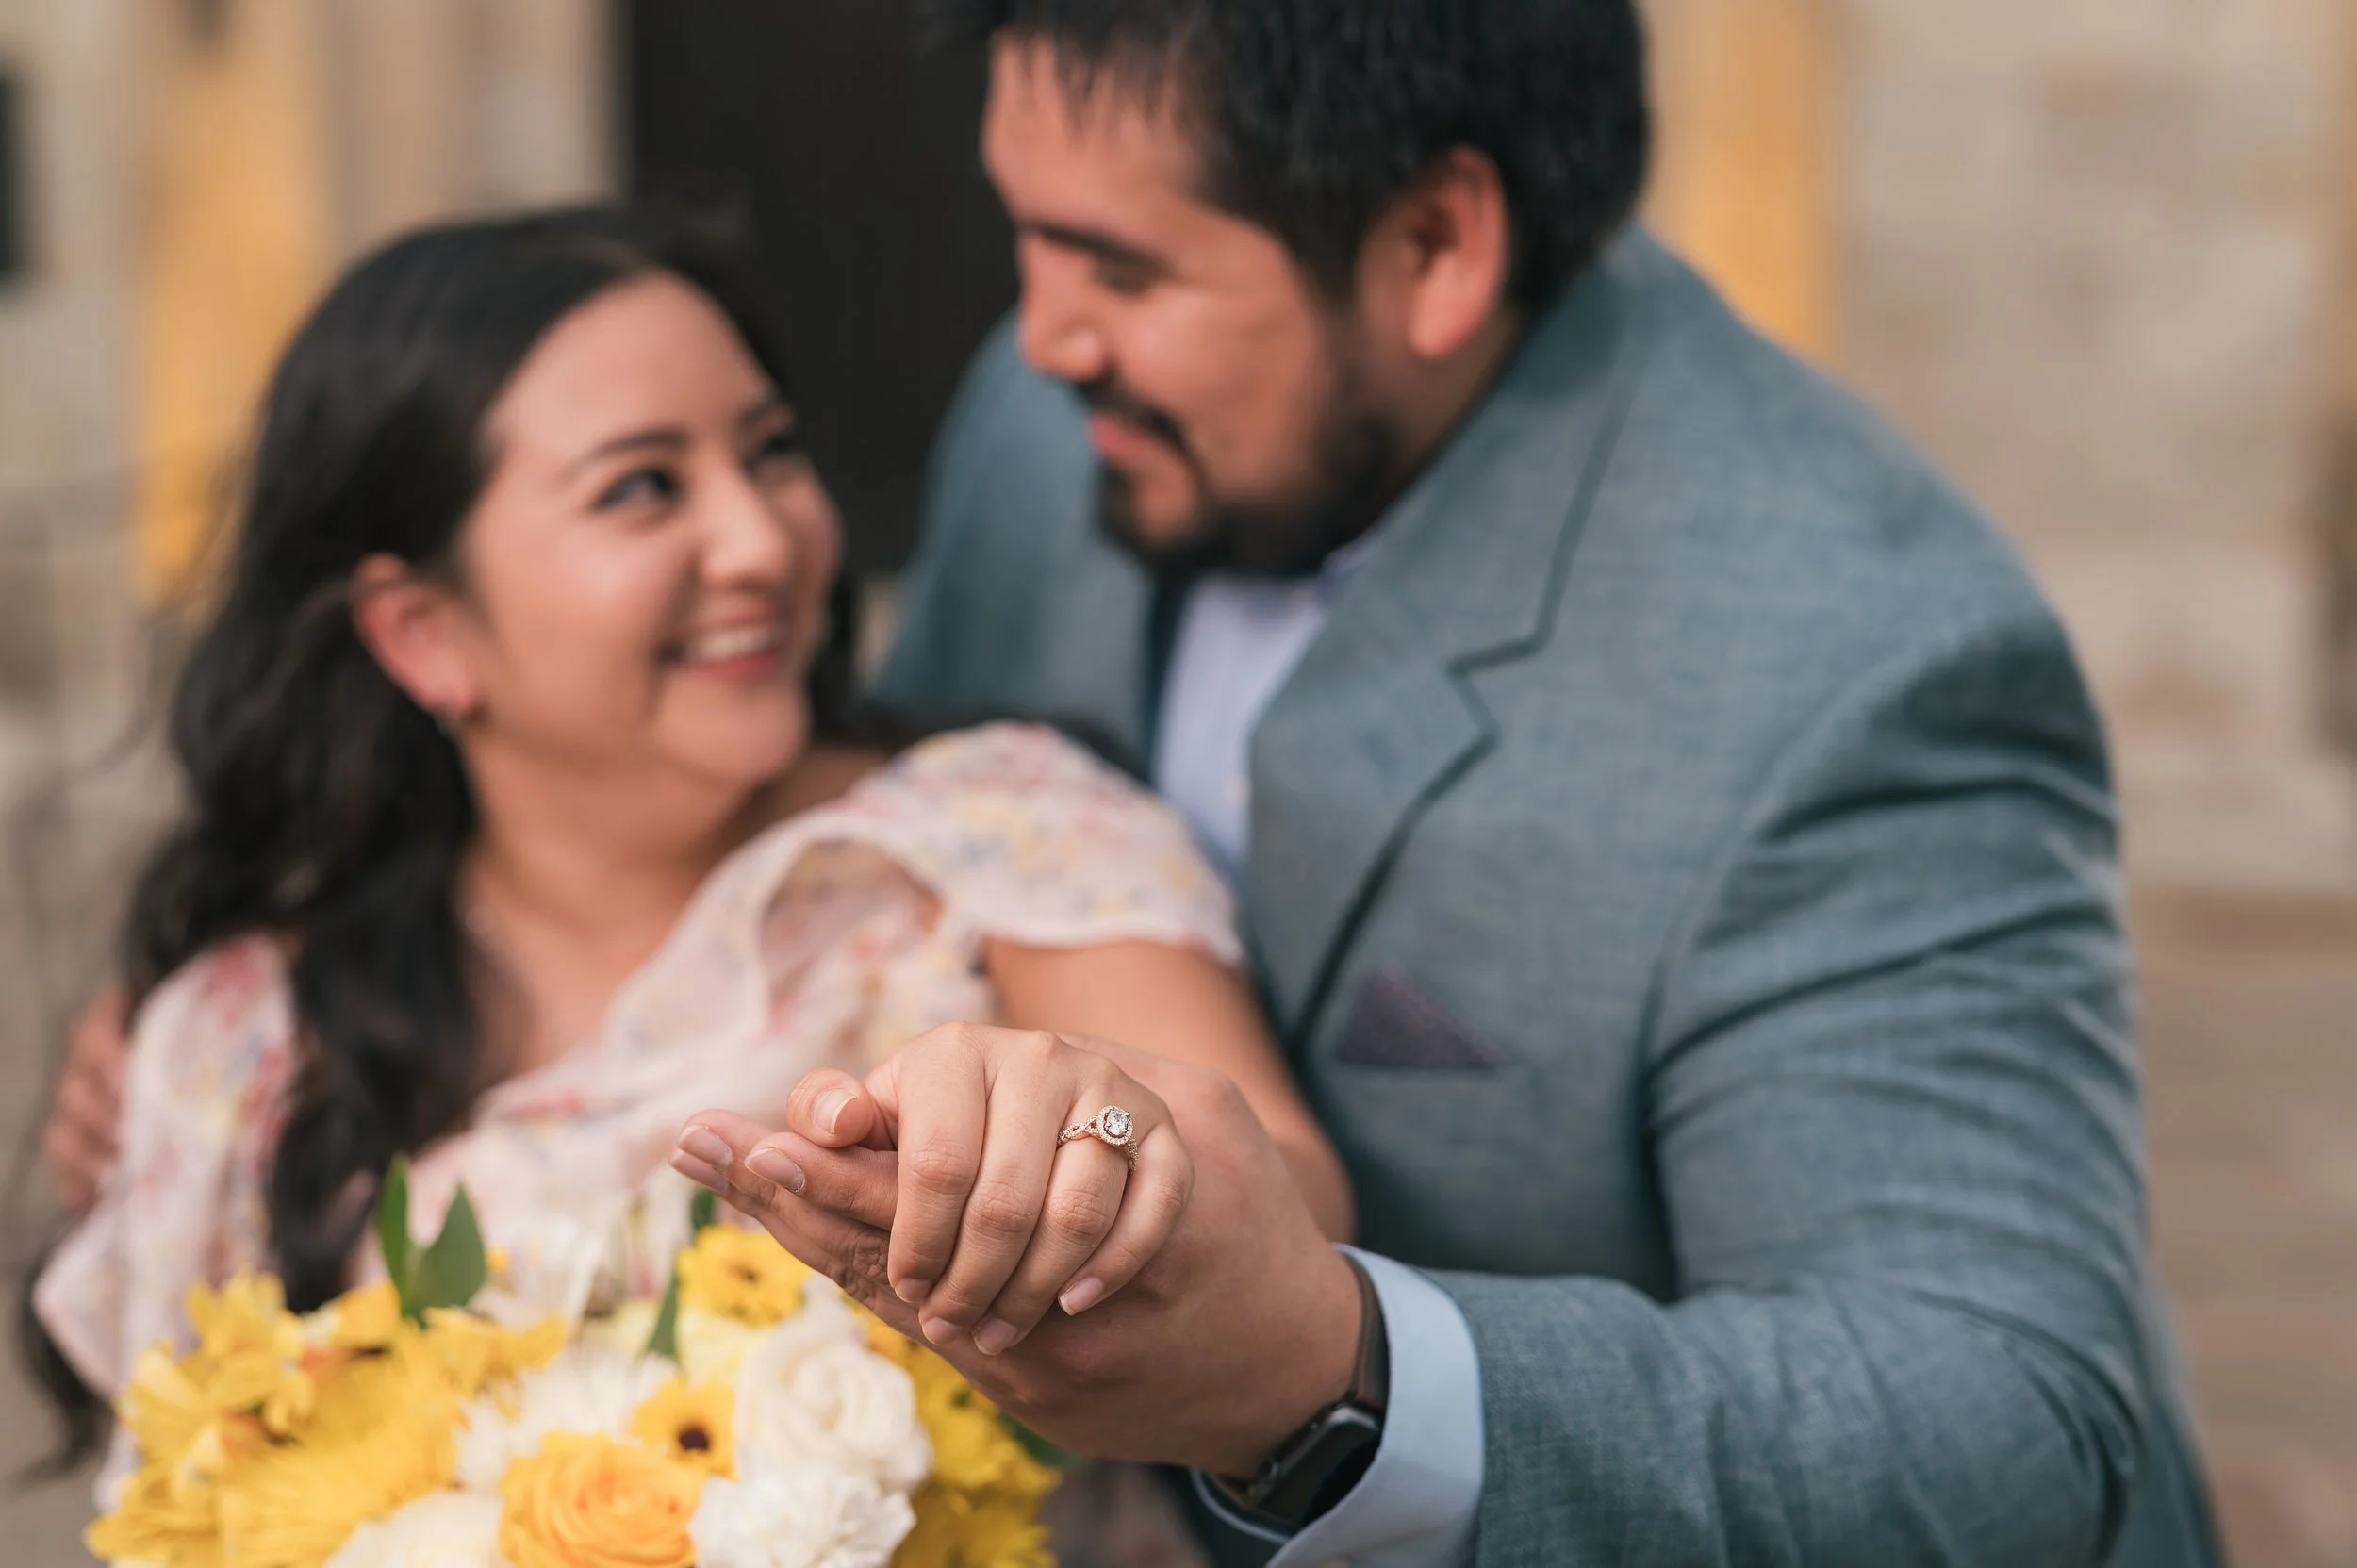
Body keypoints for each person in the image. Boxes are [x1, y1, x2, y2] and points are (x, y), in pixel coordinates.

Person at [668, 3, 2222, 1566]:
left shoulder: (1862, 661)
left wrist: (1330, 1370)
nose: (1046, 334)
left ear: (1435, 245)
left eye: (1122, 268)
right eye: (1033, 241)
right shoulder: (1049, 418)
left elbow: (1999, 1422)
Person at [24, 207, 1348, 1560]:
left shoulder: (987, 840)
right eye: (642, 487)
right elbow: (186, 1507)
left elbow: (1290, 1203)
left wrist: (1086, 1161)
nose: (763, 542)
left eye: (769, 454)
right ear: (423, 632)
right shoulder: (249, 1040)